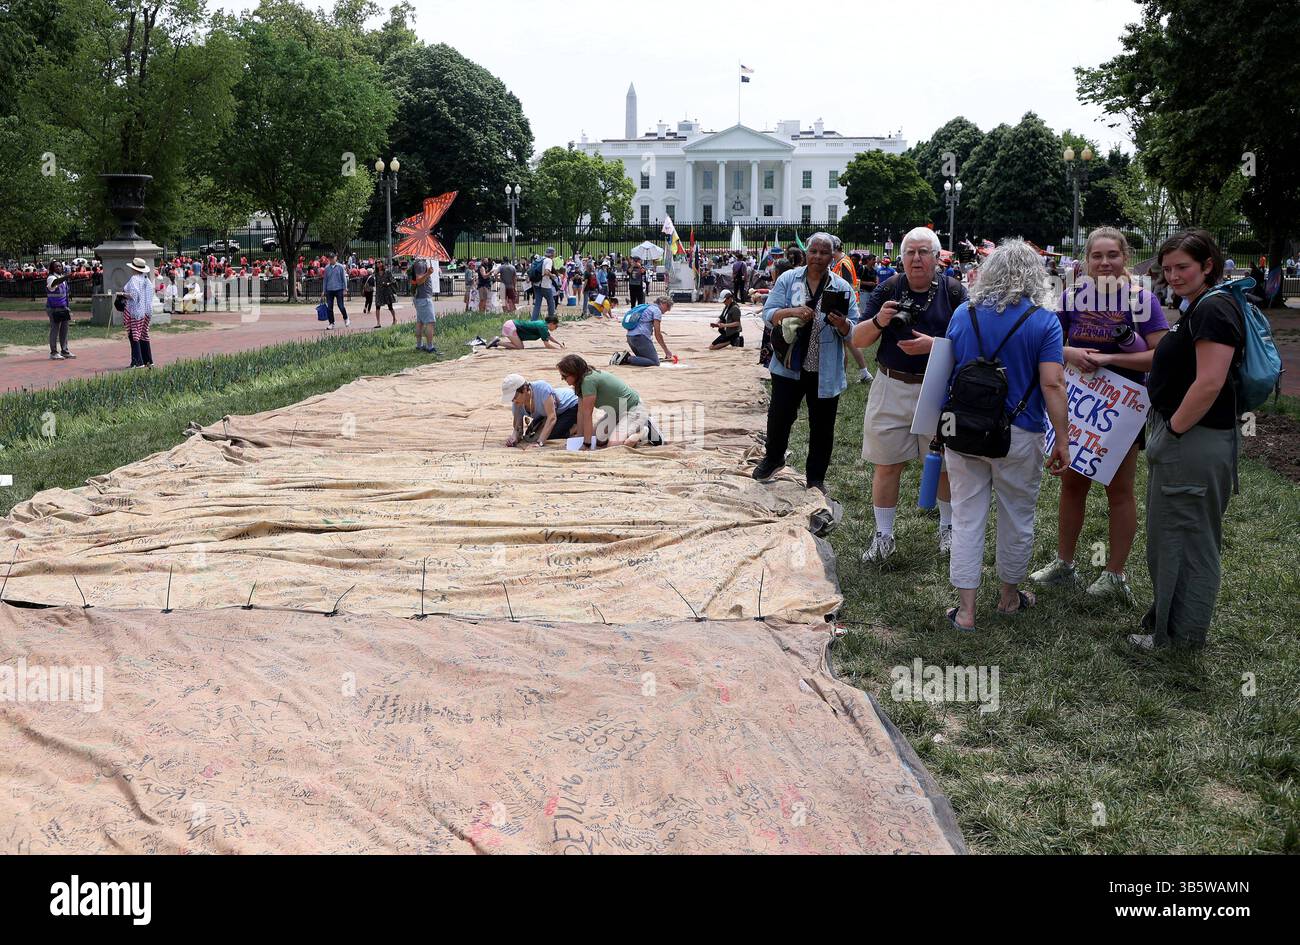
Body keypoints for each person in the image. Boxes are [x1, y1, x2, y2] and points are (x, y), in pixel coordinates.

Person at [1030, 227, 1170, 603]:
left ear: (1124, 256)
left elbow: (1161, 354)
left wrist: (1110, 358)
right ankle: (1065, 564)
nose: (1105, 263)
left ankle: (1115, 574)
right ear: (1087, 260)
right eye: (1097, 256)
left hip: (1122, 408)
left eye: (1112, 255)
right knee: (1072, 485)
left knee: (1119, 490)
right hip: (1078, 406)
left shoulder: (1142, 300)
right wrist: (1069, 353)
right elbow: (1048, 341)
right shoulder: (1072, 297)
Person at [940, 239, 1070, 631]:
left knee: (965, 516)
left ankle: (965, 612)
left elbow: (945, 374)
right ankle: (1009, 598)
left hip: (963, 430)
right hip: (1019, 432)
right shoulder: (1045, 322)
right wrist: (1061, 439)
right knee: (1017, 515)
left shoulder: (963, 314)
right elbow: (1053, 385)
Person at [1133, 230, 1243, 651]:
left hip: (1193, 441)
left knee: (1186, 540)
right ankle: (1171, 625)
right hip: (1189, 438)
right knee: (1176, 536)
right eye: (1167, 268)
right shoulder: (1201, 306)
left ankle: (1178, 638)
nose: (1174, 276)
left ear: (1208, 266)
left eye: (1184, 267)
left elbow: (1210, 382)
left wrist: (1173, 431)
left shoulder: (1213, 310)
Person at [853, 226, 969, 561]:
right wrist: (879, 321)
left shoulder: (954, 292)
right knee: (886, 463)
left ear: (937, 257)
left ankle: (947, 530)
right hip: (891, 385)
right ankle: (883, 536)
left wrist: (933, 346)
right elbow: (858, 340)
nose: (916, 259)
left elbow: (976, 341)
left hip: (939, 389)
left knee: (945, 464)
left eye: (923, 252)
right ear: (901, 258)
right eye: (910, 253)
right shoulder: (889, 287)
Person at [753, 232, 860, 495]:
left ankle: (815, 477)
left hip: (825, 368)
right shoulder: (789, 279)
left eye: (824, 252)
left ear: (831, 255)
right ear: (806, 253)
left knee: (822, 427)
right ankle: (774, 457)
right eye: (814, 251)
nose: (818, 257)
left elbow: (855, 330)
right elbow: (768, 314)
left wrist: (842, 324)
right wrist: (791, 312)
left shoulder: (841, 287)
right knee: (779, 417)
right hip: (789, 364)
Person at [556, 354, 660, 448]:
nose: (562, 379)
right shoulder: (581, 383)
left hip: (633, 409)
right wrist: (579, 437)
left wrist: (586, 444)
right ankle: (624, 430)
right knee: (598, 440)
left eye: (564, 376)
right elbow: (581, 412)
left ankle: (643, 431)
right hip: (616, 412)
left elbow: (588, 414)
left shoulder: (588, 381)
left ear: (574, 373)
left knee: (614, 446)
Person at [830, 235, 872, 383]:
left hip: (845, 307)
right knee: (848, 342)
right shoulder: (843, 261)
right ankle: (862, 373)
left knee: (845, 343)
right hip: (847, 305)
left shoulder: (842, 263)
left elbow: (845, 286)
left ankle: (843, 376)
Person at [501, 372, 580, 447]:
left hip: (571, 405)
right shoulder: (517, 404)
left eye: (514, 397)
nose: (513, 401)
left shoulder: (542, 388)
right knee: (530, 435)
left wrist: (540, 443)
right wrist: (514, 438)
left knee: (549, 435)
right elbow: (518, 429)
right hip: (547, 414)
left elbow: (552, 417)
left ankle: (576, 428)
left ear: (524, 389)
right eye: (511, 399)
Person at [611, 296, 674, 366]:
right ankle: (627, 358)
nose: (667, 310)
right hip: (640, 337)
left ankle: (622, 358)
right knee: (655, 362)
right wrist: (666, 351)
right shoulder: (657, 311)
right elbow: (657, 334)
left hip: (630, 337)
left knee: (645, 359)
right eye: (668, 307)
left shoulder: (647, 307)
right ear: (663, 303)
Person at [121, 256, 156, 368]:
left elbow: (134, 296)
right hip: (146, 311)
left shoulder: (134, 280)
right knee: (144, 334)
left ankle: (137, 361)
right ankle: (148, 360)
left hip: (136, 311)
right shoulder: (146, 280)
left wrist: (123, 295)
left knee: (134, 335)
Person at [45, 260, 75, 360]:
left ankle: (64, 350)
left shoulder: (62, 278)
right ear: (52, 268)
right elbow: (53, 284)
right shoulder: (51, 278)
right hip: (54, 308)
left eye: (59, 266)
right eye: (56, 266)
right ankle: (53, 352)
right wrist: (65, 277)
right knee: (55, 329)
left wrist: (67, 306)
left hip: (63, 307)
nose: (58, 268)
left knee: (64, 329)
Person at [482, 314, 565, 350]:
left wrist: (559, 344)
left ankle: (497, 342)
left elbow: (549, 337)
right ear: (551, 324)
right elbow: (547, 345)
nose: (556, 328)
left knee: (519, 346)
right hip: (511, 327)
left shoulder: (543, 324)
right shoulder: (543, 327)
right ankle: (497, 343)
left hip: (510, 325)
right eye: (556, 326)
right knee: (520, 347)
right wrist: (557, 350)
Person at [409, 255, 438, 353]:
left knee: (420, 322)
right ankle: (430, 347)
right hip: (424, 298)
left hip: (420, 297)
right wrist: (428, 273)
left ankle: (419, 345)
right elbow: (419, 280)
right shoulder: (421, 264)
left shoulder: (418, 263)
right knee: (430, 322)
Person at [321, 252, 349, 328]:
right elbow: (325, 280)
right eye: (330, 258)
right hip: (329, 290)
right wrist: (324, 290)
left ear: (335, 258)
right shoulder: (327, 268)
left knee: (341, 306)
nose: (331, 259)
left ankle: (346, 318)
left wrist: (345, 288)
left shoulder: (340, 267)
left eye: (332, 258)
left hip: (339, 289)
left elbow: (344, 278)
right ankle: (331, 323)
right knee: (329, 307)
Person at [531, 247, 558, 318]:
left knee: (537, 304)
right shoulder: (549, 260)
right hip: (545, 285)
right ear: (552, 254)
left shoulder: (539, 259)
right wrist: (552, 276)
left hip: (536, 284)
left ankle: (533, 321)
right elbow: (546, 271)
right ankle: (551, 320)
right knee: (551, 303)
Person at [372, 260, 397, 325]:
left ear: (382, 263)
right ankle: (378, 323)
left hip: (387, 291)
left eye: (379, 262)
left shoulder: (387, 271)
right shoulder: (376, 273)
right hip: (379, 292)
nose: (378, 263)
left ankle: (394, 319)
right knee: (377, 307)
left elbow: (393, 280)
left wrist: (388, 283)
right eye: (376, 263)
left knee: (390, 307)